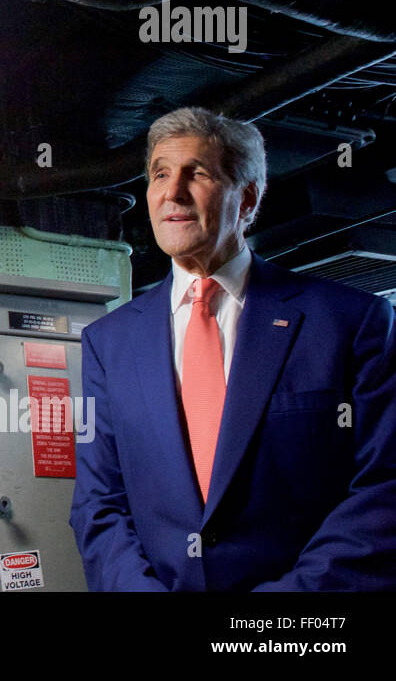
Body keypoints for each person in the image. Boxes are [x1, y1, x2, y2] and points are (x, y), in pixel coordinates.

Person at [69, 107, 395, 590]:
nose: (172, 192)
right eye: (160, 174)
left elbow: (383, 489)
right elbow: (100, 502)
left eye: (196, 173)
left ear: (246, 199)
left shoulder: (353, 321)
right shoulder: (108, 342)